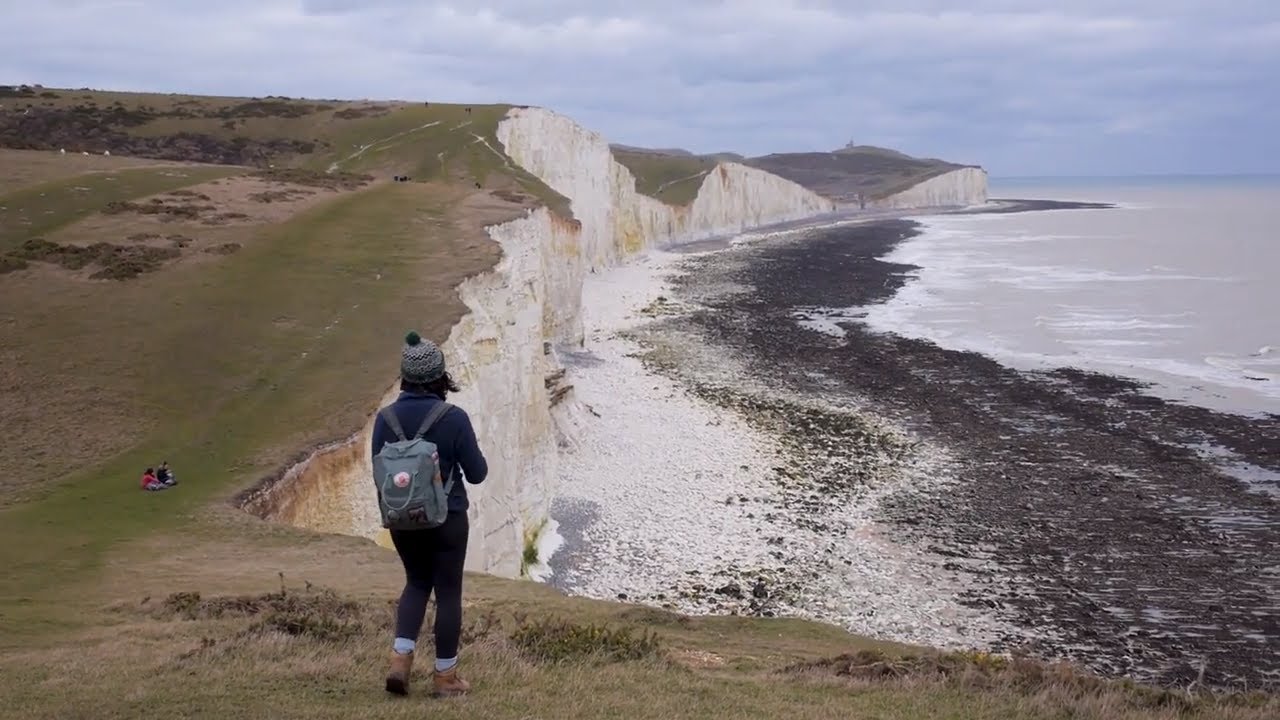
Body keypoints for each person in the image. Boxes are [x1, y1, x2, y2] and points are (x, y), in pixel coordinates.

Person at [374, 331, 488, 698]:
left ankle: (400, 662)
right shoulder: (453, 418)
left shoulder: (385, 419)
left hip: (402, 519)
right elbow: (478, 473)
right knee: (448, 591)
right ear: (440, 376)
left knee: (416, 583)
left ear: (405, 376)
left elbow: (379, 471)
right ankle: (445, 678)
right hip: (447, 518)